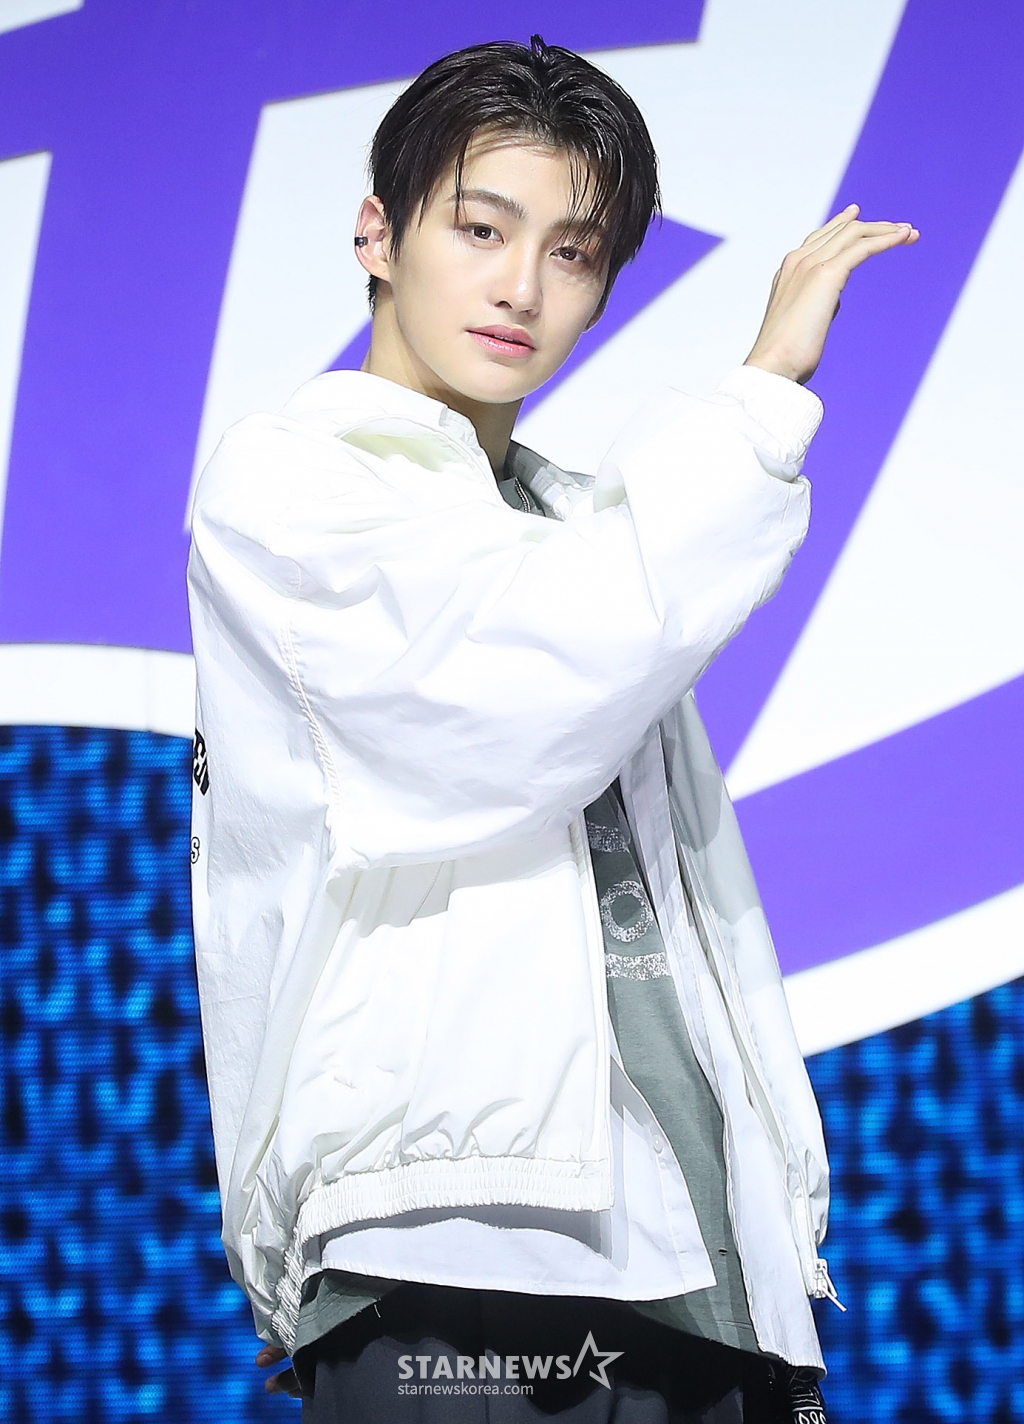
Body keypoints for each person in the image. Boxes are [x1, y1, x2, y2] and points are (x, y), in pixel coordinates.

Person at [187, 36, 918, 1422]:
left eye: (573, 253)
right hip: (452, 1249)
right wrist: (762, 392)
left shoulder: (578, 524)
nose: (522, 286)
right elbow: (504, 704)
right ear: (378, 234)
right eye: (481, 229)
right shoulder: (290, 486)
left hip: (694, 1263)